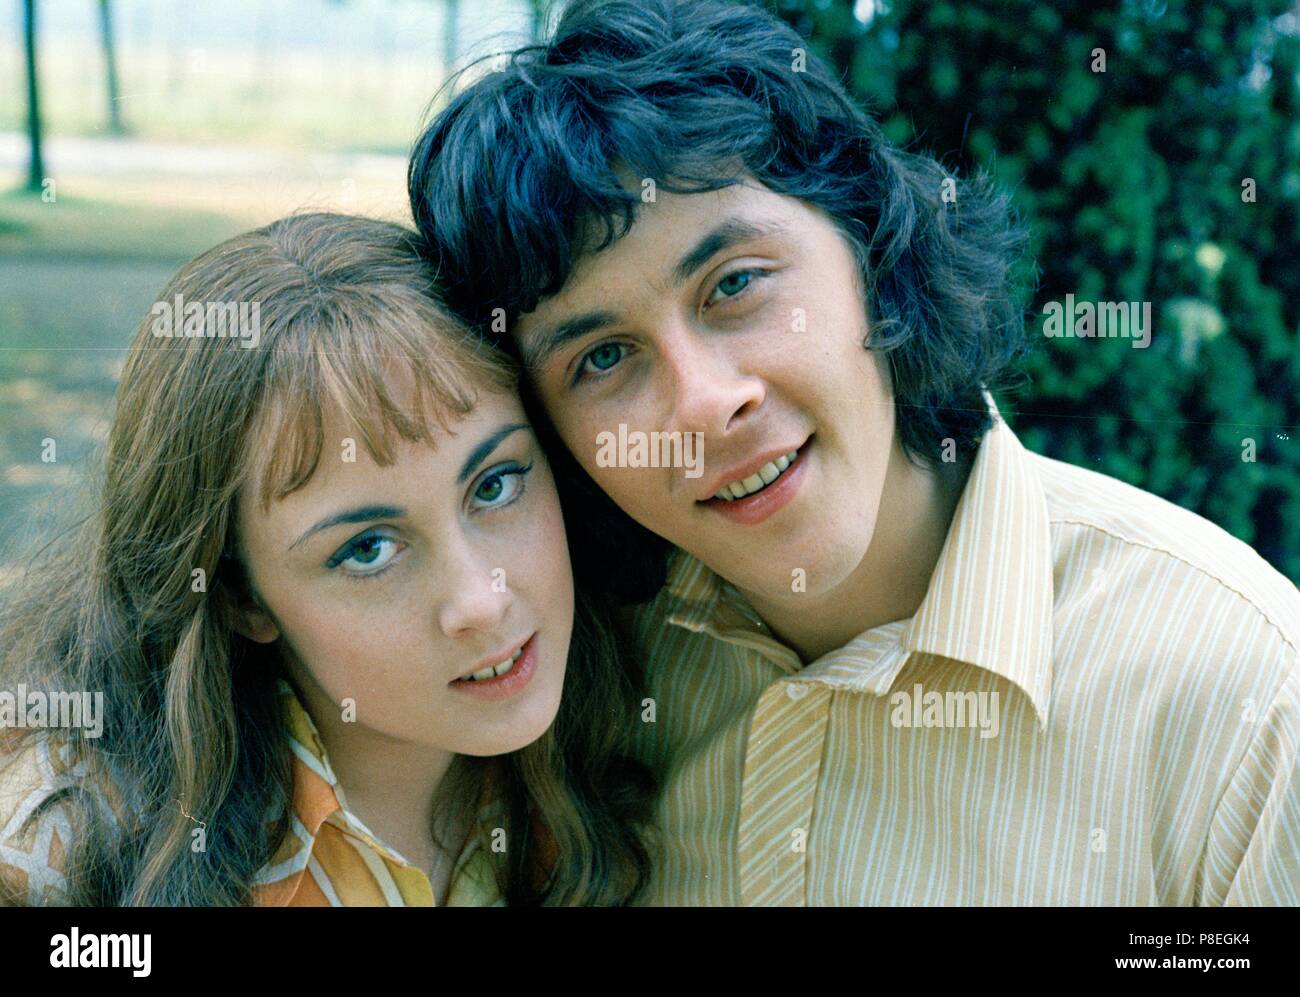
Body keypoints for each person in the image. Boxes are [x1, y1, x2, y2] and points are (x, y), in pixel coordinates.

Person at [407, 0, 1300, 904]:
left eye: (736, 285)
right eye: (602, 357)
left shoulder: (1245, 697)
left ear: (871, 241)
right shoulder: (558, 682)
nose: (706, 403)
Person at [0, 213, 654, 906]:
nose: (482, 599)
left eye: (493, 484)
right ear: (240, 596)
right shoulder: (59, 862)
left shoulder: (644, 711)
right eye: (367, 549)